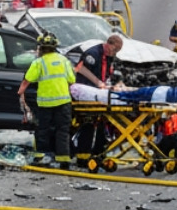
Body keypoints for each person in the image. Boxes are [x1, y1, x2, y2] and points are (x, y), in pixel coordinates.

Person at [18, 31, 74, 168]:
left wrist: (20, 92)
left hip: (45, 103)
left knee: (43, 130)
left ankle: (40, 157)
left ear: (41, 48)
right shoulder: (64, 60)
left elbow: (28, 79)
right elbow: (71, 79)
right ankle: (63, 159)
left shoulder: (39, 62)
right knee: (62, 130)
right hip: (63, 102)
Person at [72, 32, 122, 162]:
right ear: (108, 44)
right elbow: (81, 69)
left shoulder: (110, 57)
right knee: (88, 124)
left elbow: (110, 73)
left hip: (99, 94)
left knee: (101, 125)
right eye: (114, 49)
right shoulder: (93, 54)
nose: (115, 53)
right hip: (86, 91)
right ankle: (83, 157)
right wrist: (98, 83)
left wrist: (113, 84)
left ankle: (98, 154)